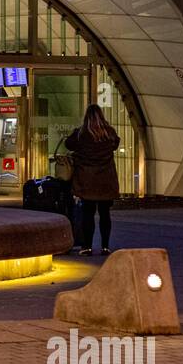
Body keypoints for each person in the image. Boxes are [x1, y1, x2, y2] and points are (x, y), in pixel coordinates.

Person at [63, 104, 120, 256]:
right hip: (105, 181)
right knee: (105, 214)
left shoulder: (81, 134)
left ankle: (87, 247)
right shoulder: (109, 133)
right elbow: (116, 144)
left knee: (88, 214)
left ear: (86, 117)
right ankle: (105, 246)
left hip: (87, 181)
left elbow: (68, 144)